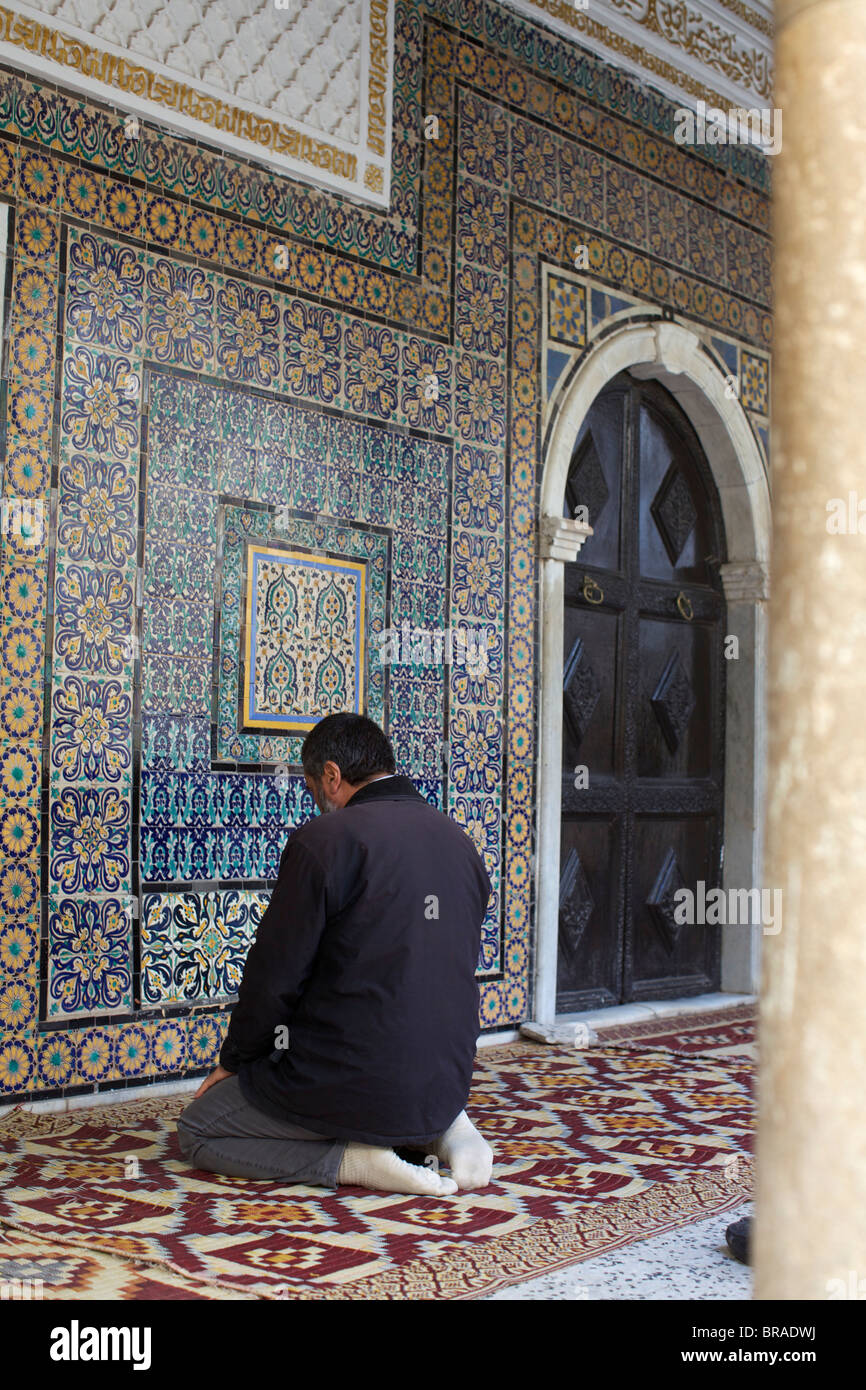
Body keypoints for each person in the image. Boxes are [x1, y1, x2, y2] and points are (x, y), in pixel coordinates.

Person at [177, 713, 494, 1197]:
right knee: (394, 1056)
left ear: (331, 775)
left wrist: (235, 1061)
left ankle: (353, 1160)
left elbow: (273, 979)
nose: (317, 803)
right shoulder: (460, 842)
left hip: (351, 1082)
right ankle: (450, 1129)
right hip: (445, 1079)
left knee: (199, 1129)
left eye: (312, 789)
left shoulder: (324, 840)